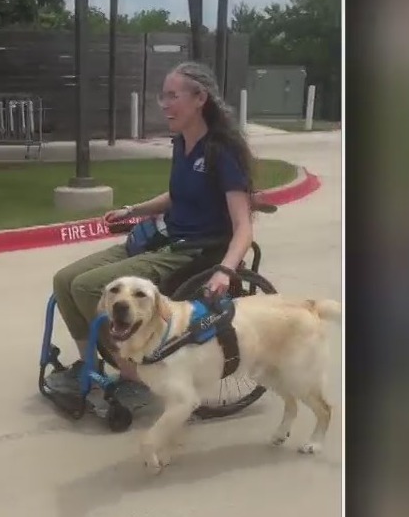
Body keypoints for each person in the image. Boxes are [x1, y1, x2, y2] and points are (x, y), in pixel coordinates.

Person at [51, 61, 257, 384]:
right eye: (164, 96)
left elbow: (243, 226)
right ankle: (88, 363)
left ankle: (133, 372)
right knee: (64, 280)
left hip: (193, 251)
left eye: (172, 96)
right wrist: (132, 211)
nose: (165, 105)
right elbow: (178, 195)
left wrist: (225, 270)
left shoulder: (223, 152)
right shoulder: (182, 144)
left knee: (88, 287)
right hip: (162, 238)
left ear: (199, 98)